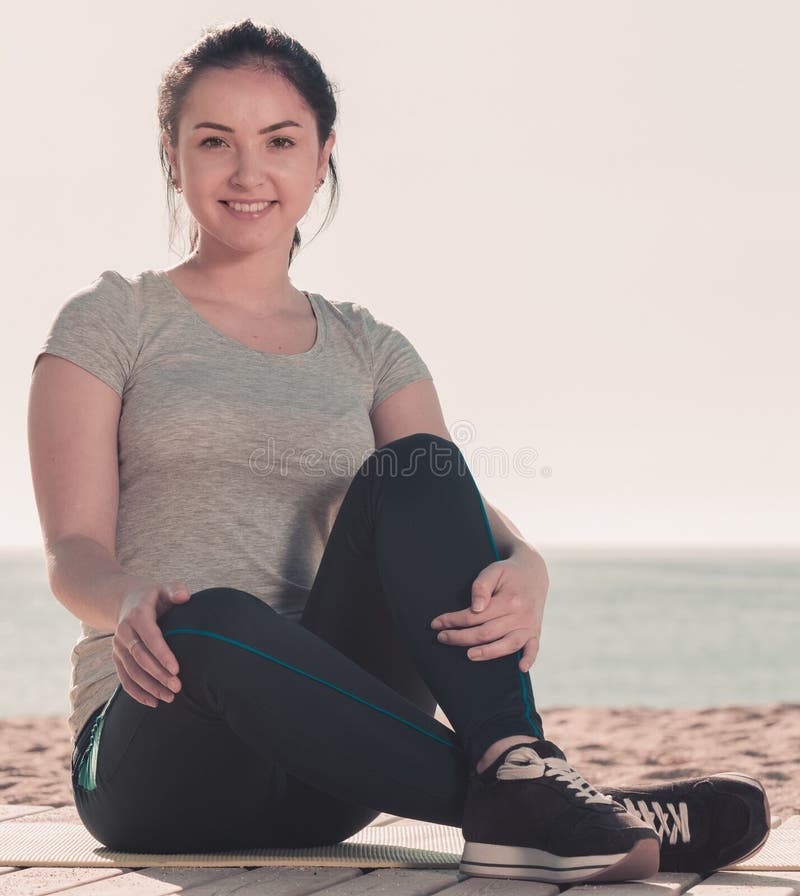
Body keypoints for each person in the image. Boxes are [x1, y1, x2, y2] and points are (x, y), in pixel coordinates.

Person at [27, 19, 769, 884]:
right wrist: (126, 604)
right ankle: (559, 804)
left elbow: (444, 509)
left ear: (322, 154)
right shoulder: (110, 321)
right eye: (214, 141)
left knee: (417, 469)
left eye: (279, 140)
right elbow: (72, 551)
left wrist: (527, 563)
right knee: (212, 621)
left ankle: (518, 762)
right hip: (156, 744)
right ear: (174, 153)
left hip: (335, 767)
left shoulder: (371, 349)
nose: (248, 171)